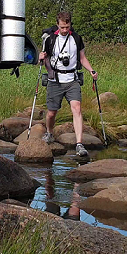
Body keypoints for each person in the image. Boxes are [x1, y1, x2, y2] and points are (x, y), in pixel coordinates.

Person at [39, 11, 98, 158]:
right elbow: (44, 58)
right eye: (62, 27)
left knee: (77, 108)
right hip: (55, 81)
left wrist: (91, 70)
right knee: (52, 113)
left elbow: (82, 58)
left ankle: (79, 144)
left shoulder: (77, 38)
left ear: (70, 24)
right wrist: (41, 58)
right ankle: (49, 133)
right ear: (58, 25)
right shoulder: (50, 39)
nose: (65, 30)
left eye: (67, 27)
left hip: (72, 79)